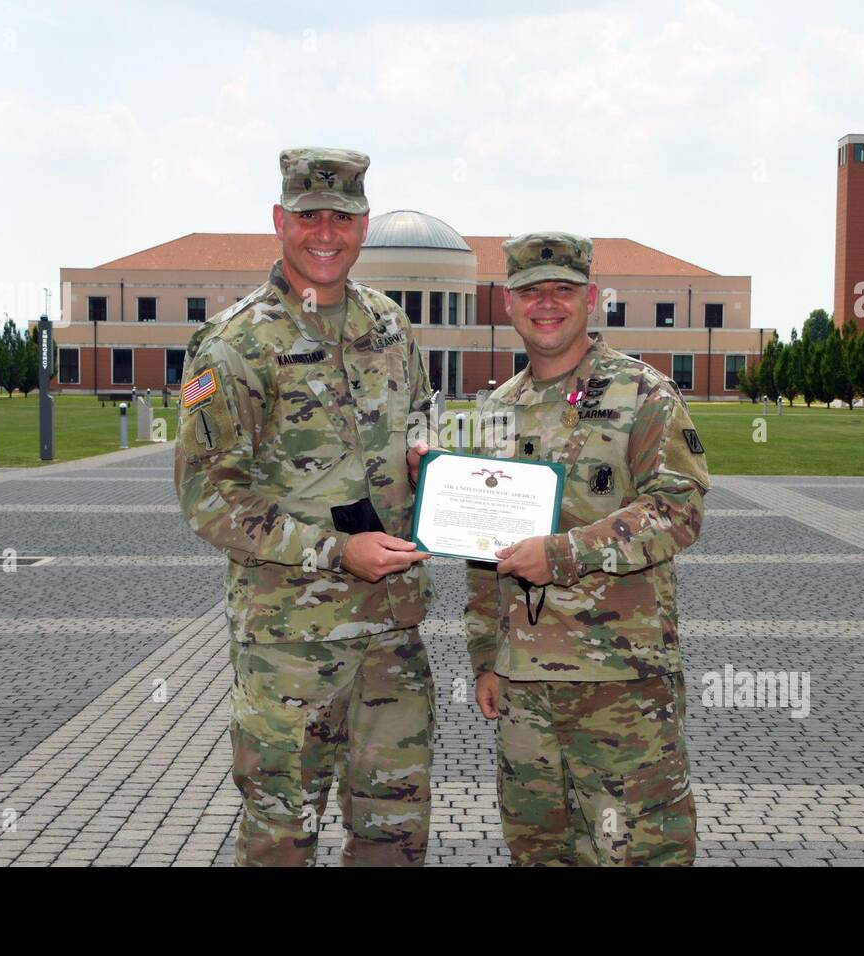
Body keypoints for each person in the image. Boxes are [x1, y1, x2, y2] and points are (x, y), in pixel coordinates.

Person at [175, 148, 436, 866]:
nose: (326, 231)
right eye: (309, 215)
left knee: (394, 833)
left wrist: (430, 464)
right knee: (282, 839)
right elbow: (209, 496)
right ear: (279, 221)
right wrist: (332, 549)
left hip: (390, 639)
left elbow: (422, 420)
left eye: (343, 217)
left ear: (364, 225)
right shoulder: (233, 346)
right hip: (290, 649)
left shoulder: (391, 327)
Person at [465, 231, 711, 866]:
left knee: (636, 851)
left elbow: (679, 509)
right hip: (523, 687)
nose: (547, 303)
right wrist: (484, 659)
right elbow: (479, 553)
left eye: (564, 290)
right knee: (539, 850)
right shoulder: (494, 411)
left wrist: (567, 553)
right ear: (509, 303)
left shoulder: (643, 394)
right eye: (531, 291)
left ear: (591, 298)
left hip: (620, 684)